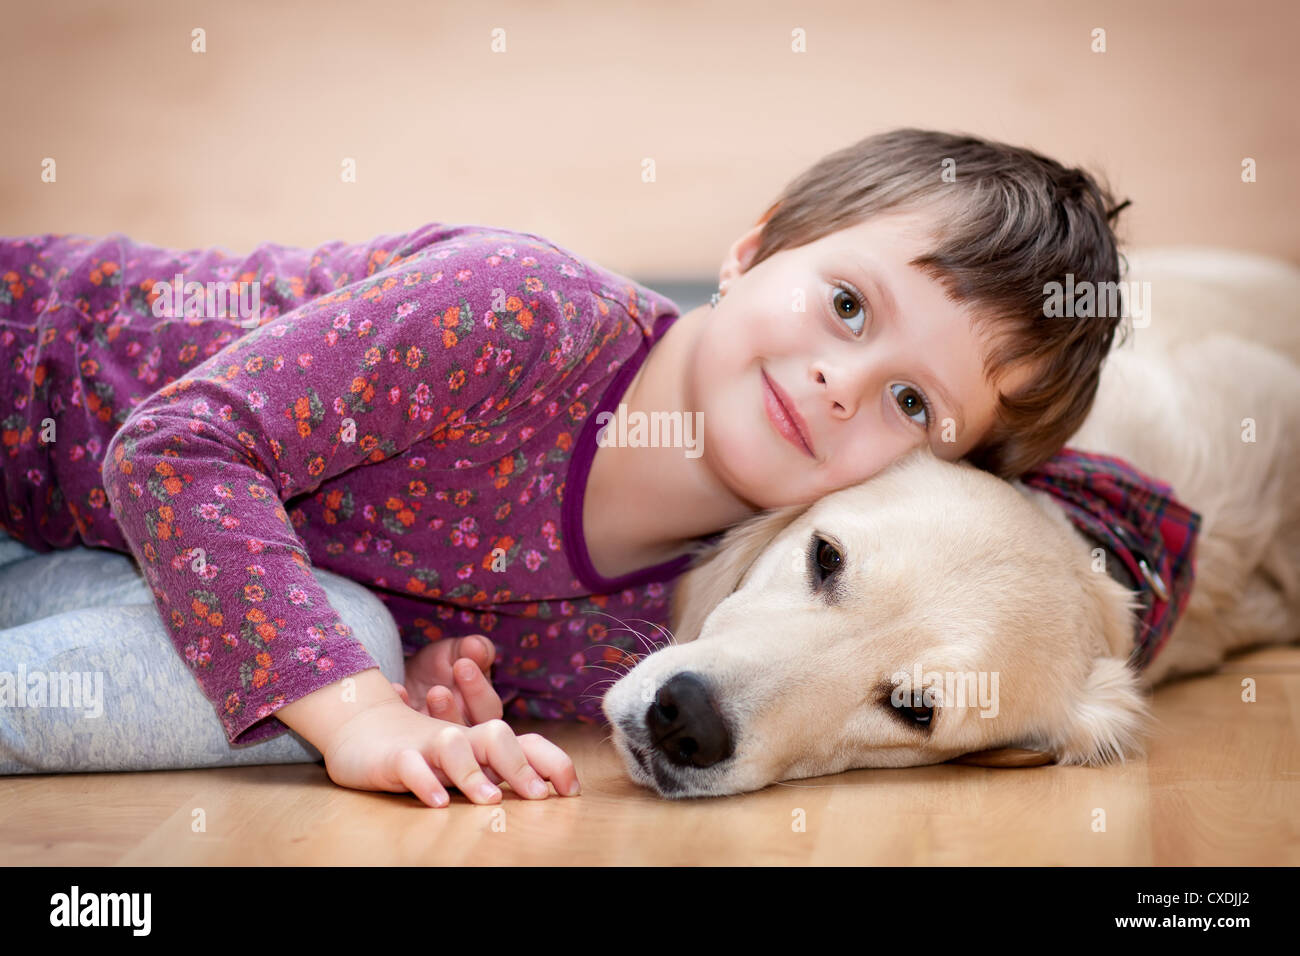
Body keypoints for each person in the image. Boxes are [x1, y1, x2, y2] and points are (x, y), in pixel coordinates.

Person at [0, 128, 1130, 807]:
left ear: (931, 480)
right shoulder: (516, 310)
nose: (843, 380)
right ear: (753, 248)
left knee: (348, 637)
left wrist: (424, 676)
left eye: (910, 400)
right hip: (30, 375)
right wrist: (357, 717)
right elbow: (174, 447)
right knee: (330, 673)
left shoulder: (664, 624)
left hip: (76, 552)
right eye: (846, 305)